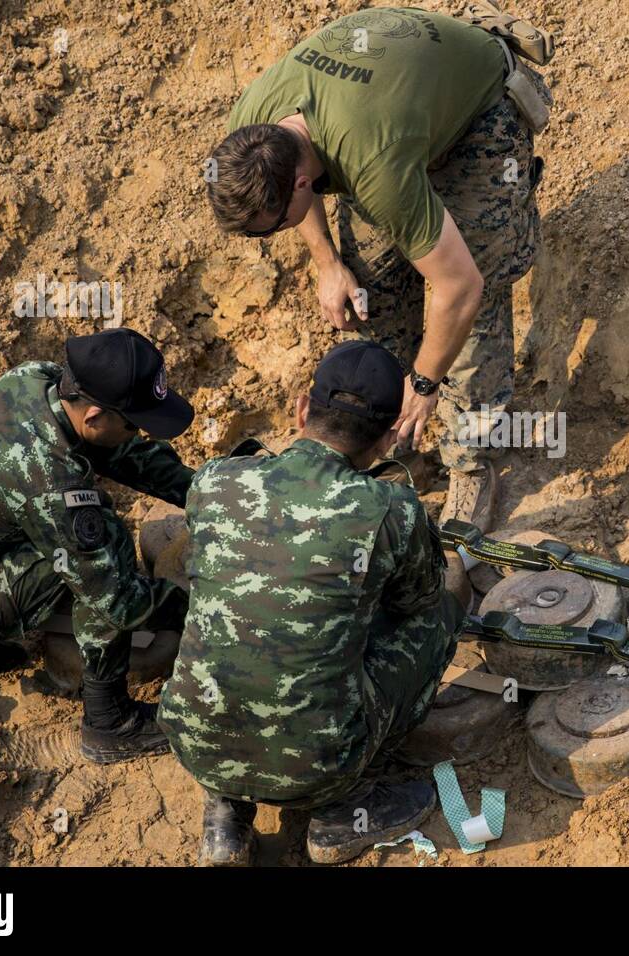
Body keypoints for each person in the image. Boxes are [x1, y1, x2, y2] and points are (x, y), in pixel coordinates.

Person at [204, 6, 549, 544]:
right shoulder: (253, 129)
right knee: (370, 284)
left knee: (472, 295)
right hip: (390, 106)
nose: (265, 240)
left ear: (298, 184)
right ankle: (391, 434)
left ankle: (470, 459)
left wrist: (426, 380)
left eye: (267, 230)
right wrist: (327, 263)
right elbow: (308, 193)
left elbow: (461, 288)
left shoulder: (374, 164)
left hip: (478, 115)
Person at [157, 341, 464, 865]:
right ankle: (344, 810)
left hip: (194, 742)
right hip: (323, 763)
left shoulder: (215, 480)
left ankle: (225, 816)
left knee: (236, 624)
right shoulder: (389, 507)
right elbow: (420, 596)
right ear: (390, 437)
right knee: (441, 611)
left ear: (303, 408)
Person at [0, 328, 196, 764]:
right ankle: (109, 722)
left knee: (87, 529)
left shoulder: (36, 380)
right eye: (133, 425)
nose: (137, 434)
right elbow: (116, 600)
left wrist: (203, 490)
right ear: (95, 417)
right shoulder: (51, 480)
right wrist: (198, 605)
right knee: (106, 548)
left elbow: (119, 453)